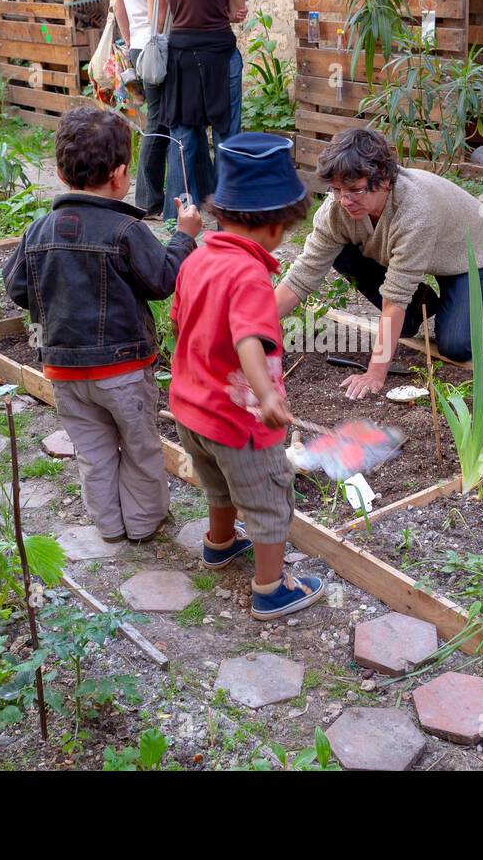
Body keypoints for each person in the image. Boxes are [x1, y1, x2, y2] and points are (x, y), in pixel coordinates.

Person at [2, 107, 202, 544]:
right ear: (121, 174)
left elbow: (17, 286)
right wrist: (185, 235)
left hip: (64, 372)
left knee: (92, 452)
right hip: (124, 371)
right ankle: (144, 523)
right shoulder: (126, 229)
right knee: (140, 447)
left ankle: (109, 527)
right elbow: (162, 281)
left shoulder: (38, 231)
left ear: (59, 172)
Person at [169, 133, 325, 620]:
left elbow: (179, 320)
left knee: (218, 485)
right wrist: (266, 396)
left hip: (190, 410)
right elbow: (247, 340)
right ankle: (270, 588)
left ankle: (218, 543)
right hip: (239, 422)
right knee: (269, 499)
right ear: (277, 228)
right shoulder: (250, 276)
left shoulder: (197, 259)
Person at [276, 128, 483, 399]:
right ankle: (421, 306)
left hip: (467, 252)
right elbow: (302, 275)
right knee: (399, 319)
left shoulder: (414, 211)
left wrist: (375, 374)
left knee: (456, 345)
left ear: (384, 179)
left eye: (354, 190)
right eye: (336, 190)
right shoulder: (337, 210)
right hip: (416, 250)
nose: (344, 200)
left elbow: (395, 298)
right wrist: (251, 325)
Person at [155, 0, 248, 222]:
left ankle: (176, 218)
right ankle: (228, 218)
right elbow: (238, 8)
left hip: (181, 55)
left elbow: (171, 3)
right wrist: (230, 10)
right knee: (226, 137)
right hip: (219, 56)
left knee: (182, 137)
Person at [108, 0, 183, 217]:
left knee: (155, 120)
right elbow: (159, 13)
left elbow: (117, 6)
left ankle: (151, 197)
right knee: (161, 122)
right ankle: (150, 199)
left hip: (139, 47)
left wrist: (130, 44)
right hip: (158, 48)